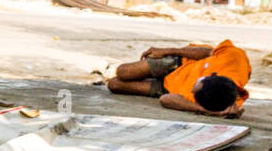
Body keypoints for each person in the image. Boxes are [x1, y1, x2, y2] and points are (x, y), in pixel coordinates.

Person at [106, 39, 250, 117]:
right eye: (198, 83)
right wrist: (168, 51)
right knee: (123, 72)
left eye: (194, 92)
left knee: (114, 84)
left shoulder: (219, 101)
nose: (193, 87)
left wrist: (204, 110)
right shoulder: (234, 57)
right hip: (179, 65)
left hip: (168, 89)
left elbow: (166, 99)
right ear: (212, 76)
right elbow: (207, 51)